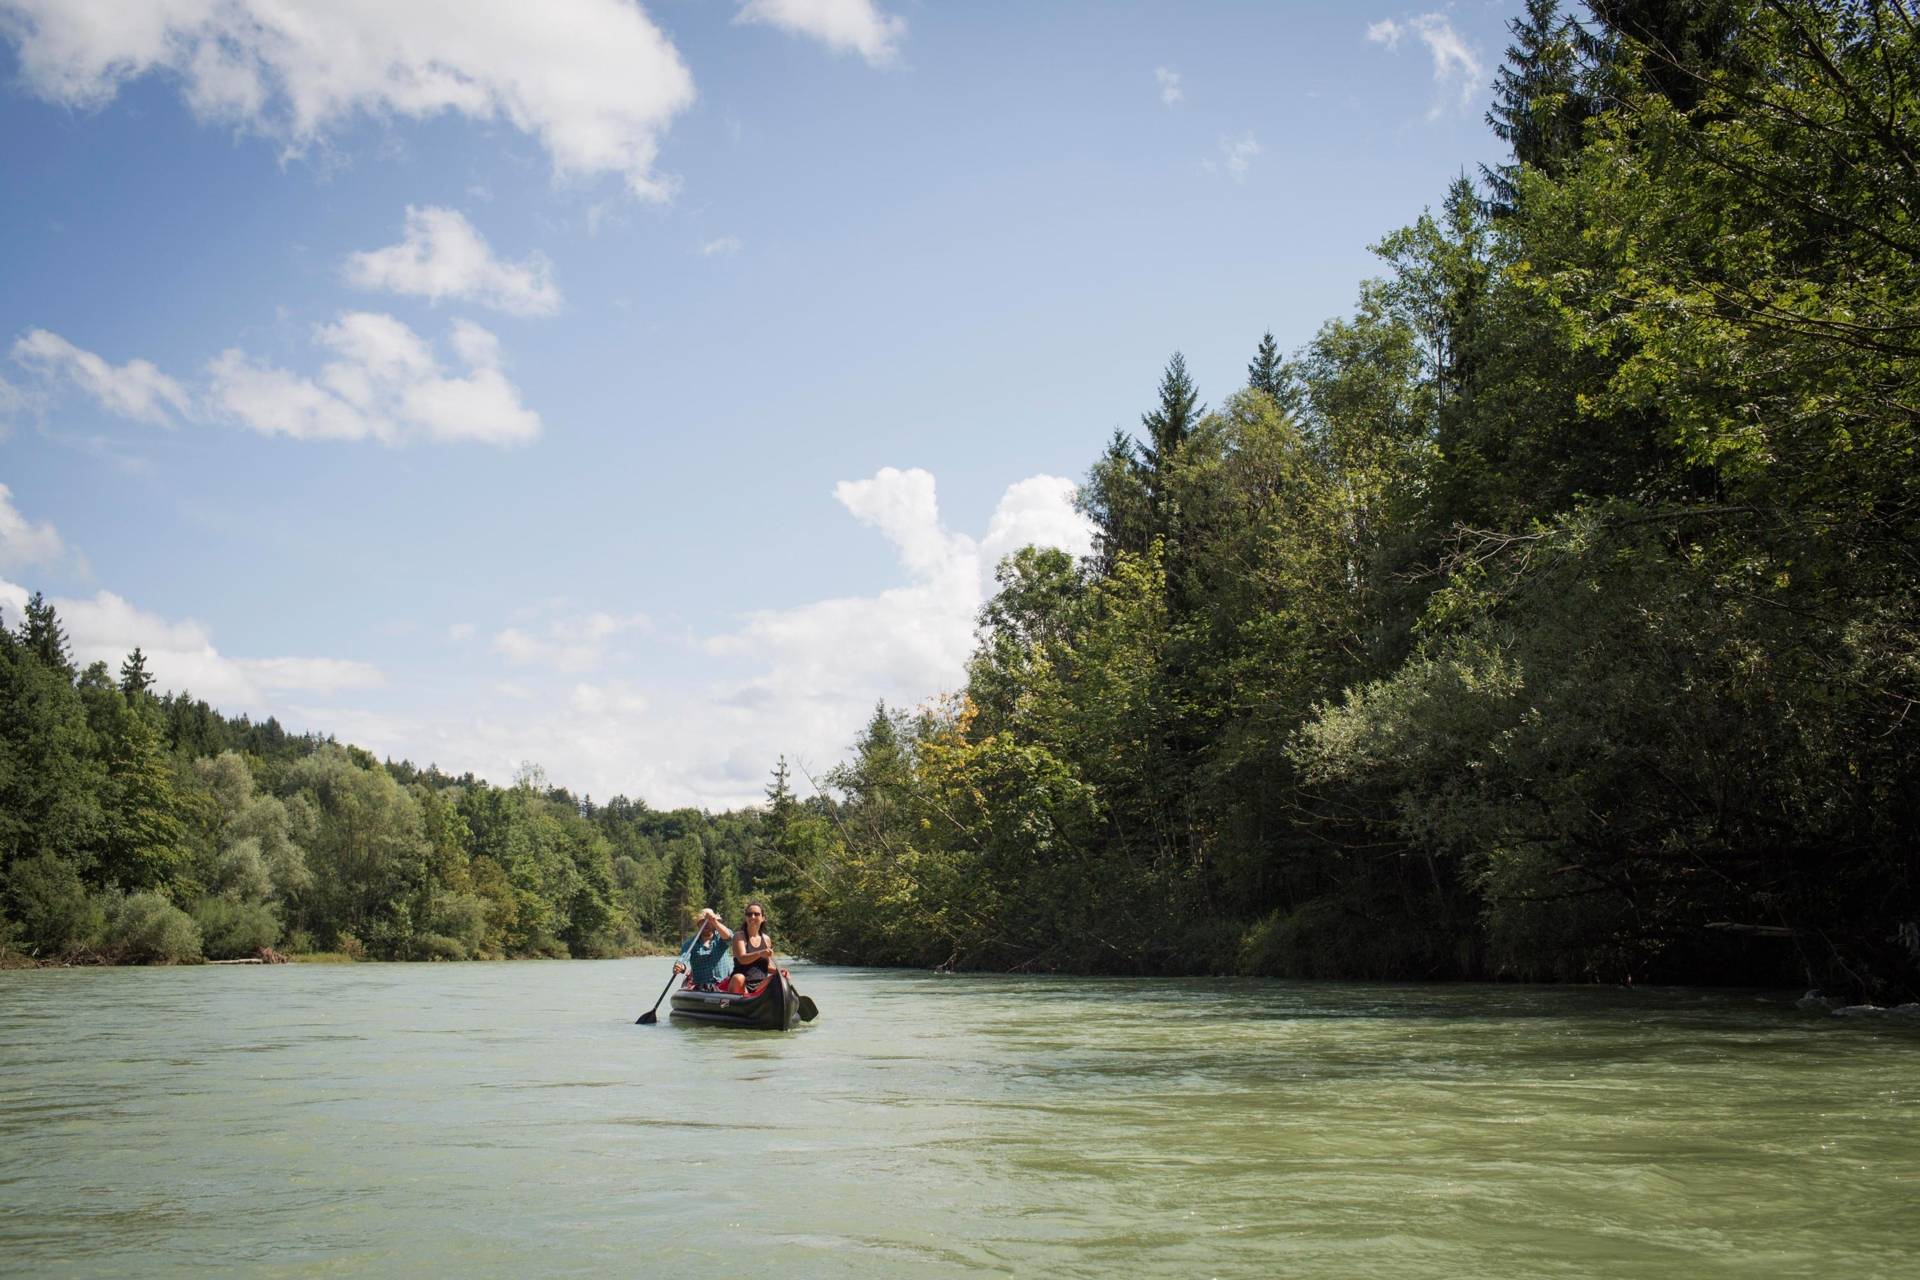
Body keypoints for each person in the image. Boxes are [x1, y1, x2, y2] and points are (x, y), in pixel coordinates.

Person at [673, 908, 733, 990]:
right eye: (703, 921)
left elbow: (729, 937)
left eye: (709, 921)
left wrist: (714, 920)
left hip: (723, 985)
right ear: (698, 924)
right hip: (701, 987)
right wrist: (680, 966)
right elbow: (683, 958)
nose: (706, 924)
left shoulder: (721, 937)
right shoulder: (690, 943)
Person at [724, 902, 777, 995]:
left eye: (756, 914)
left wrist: (780, 972)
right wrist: (760, 953)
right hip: (742, 984)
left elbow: (767, 966)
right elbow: (742, 959)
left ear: (763, 918)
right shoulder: (739, 936)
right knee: (739, 978)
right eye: (749, 914)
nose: (752, 917)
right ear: (746, 918)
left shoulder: (766, 939)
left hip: (760, 985)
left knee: (780, 977)